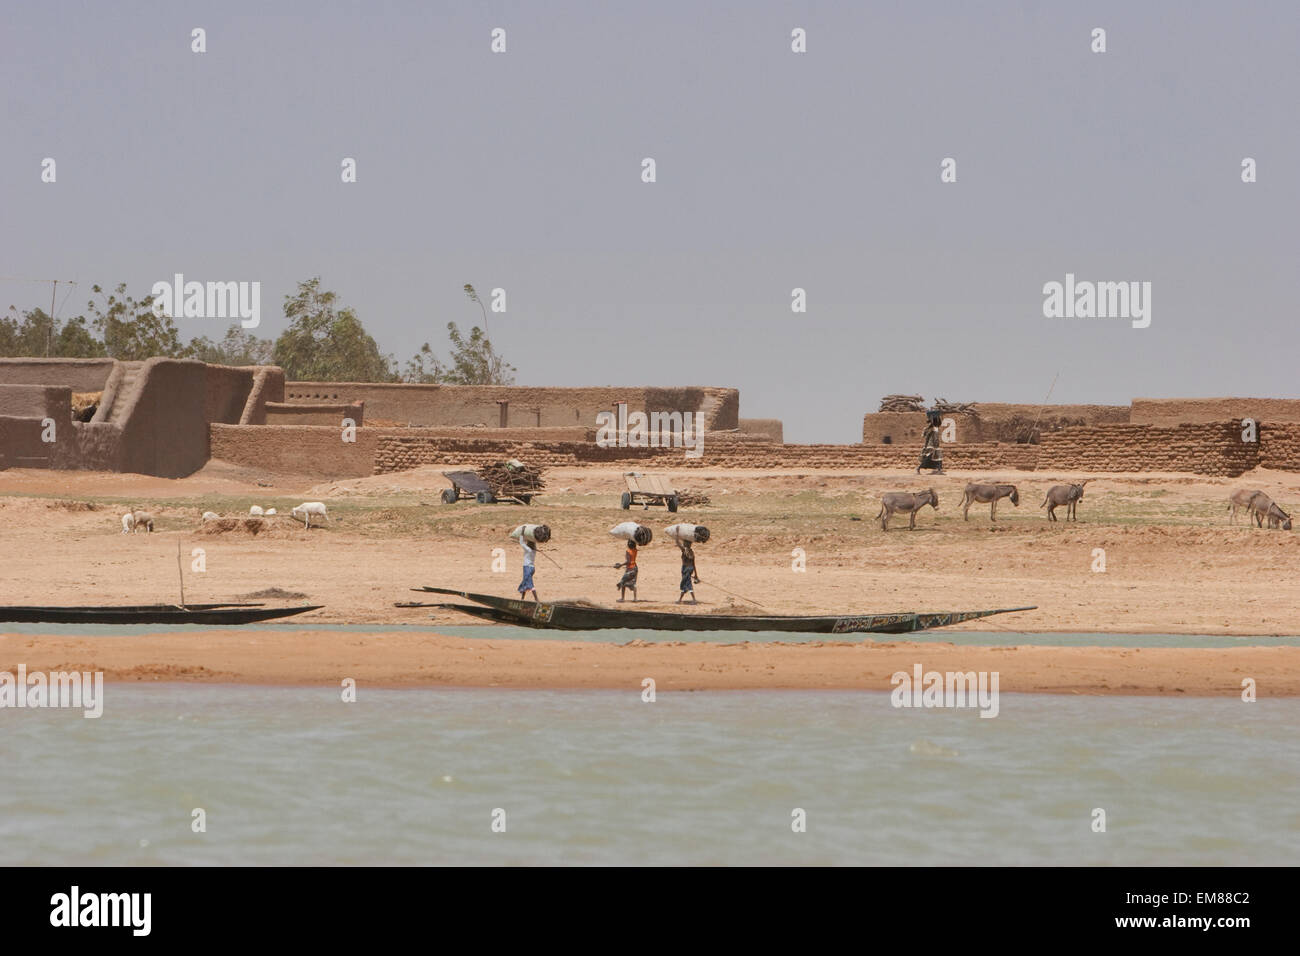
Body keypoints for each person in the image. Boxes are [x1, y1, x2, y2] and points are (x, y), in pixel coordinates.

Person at [917, 410, 945, 474]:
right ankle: (918, 468)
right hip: (932, 445)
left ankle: (939, 470)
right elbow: (935, 437)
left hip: (931, 445)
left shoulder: (928, 428)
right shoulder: (933, 428)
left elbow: (923, 436)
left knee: (938, 457)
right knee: (930, 457)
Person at [676, 539, 700, 604]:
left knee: (687, 583)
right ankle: (680, 600)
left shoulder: (684, 551)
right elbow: (693, 564)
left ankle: (694, 600)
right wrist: (696, 575)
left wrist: (676, 535)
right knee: (685, 583)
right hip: (690, 568)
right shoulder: (691, 552)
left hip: (685, 569)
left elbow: (677, 543)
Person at [518, 535, 539, 602]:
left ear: (528, 545)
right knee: (525, 582)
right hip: (532, 568)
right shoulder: (534, 551)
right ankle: (522, 599)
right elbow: (533, 545)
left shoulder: (528, 549)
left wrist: (521, 534)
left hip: (527, 568)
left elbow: (521, 542)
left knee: (530, 584)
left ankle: (536, 599)